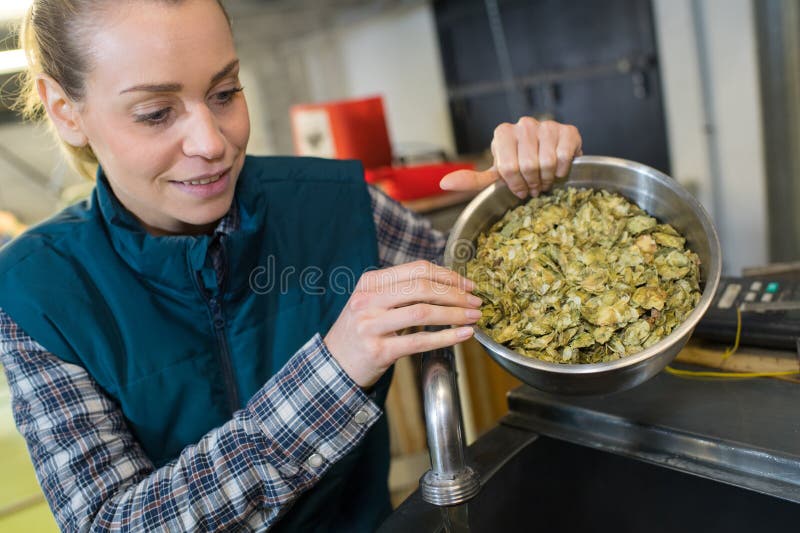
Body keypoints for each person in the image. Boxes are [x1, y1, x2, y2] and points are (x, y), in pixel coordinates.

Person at [0, 0, 583, 531]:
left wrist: (539, 203)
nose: (211, 142)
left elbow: (514, 304)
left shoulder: (338, 207)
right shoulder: (36, 293)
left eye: (225, 92)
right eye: (155, 113)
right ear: (65, 109)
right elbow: (111, 523)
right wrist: (334, 371)